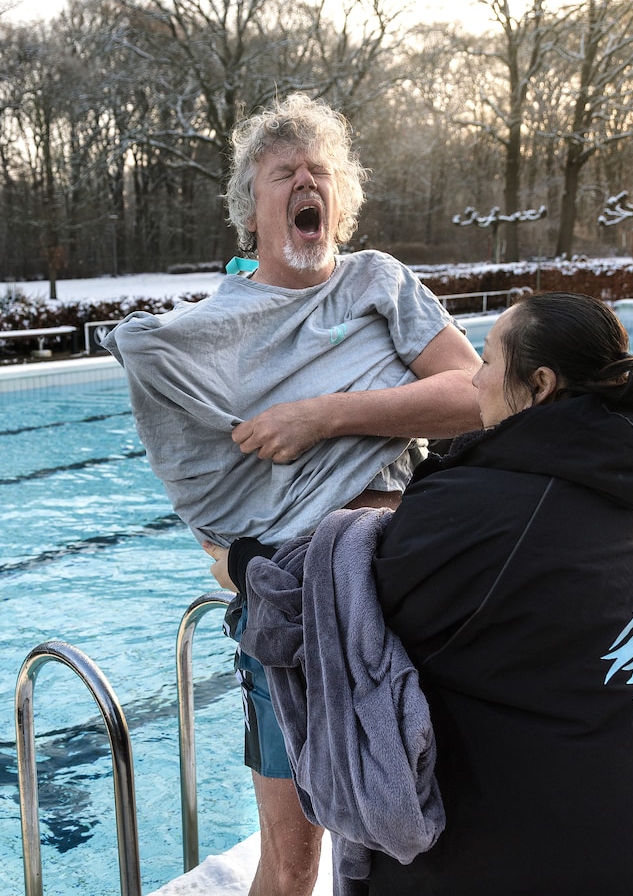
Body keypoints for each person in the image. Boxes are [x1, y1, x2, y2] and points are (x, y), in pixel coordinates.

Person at [102, 94, 482, 896]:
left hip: (407, 585)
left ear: (338, 202)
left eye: (319, 172)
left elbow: (474, 395)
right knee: (291, 856)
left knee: (422, 828)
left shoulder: (379, 282)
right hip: (284, 606)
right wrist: (235, 555)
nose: (305, 182)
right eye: (284, 174)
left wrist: (322, 417)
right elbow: (200, 468)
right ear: (253, 209)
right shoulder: (215, 330)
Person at [220, 293, 633, 894]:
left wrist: (242, 561)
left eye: (486, 361)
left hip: (560, 856)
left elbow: (327, 608)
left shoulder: (492, 511)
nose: (474, 379)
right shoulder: (630, 477)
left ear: (539, 384)